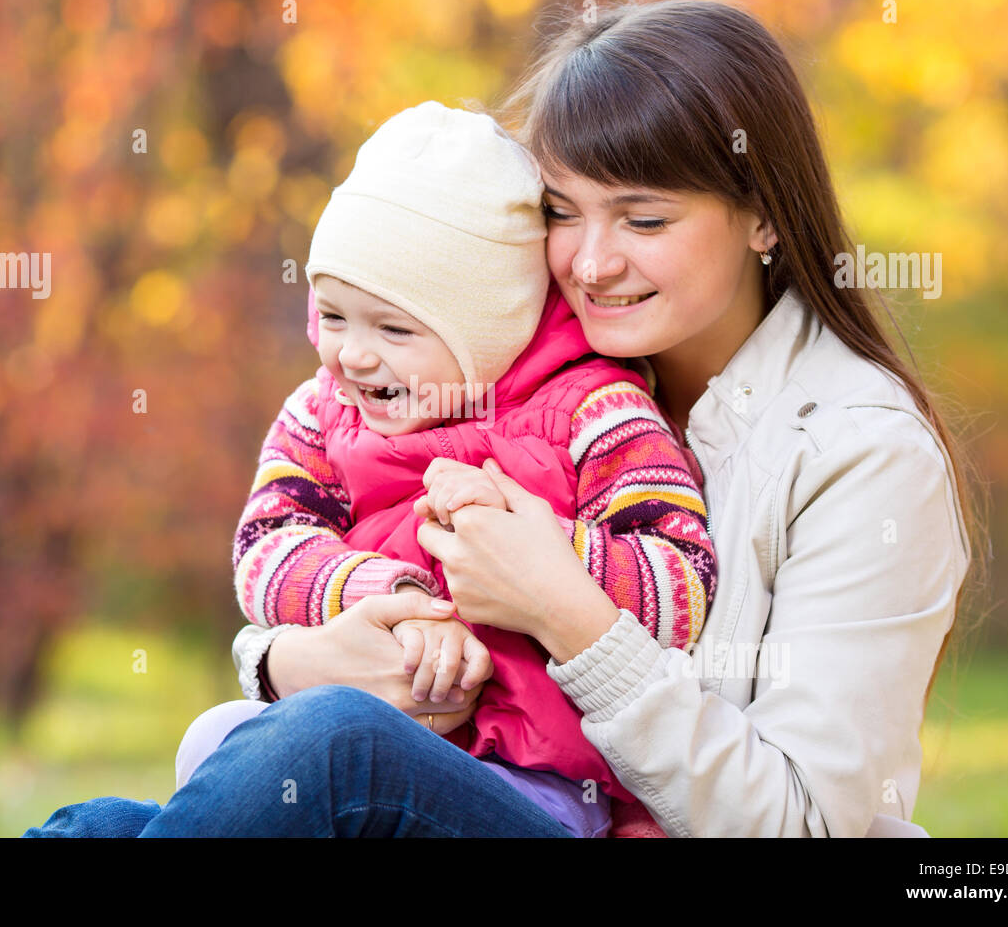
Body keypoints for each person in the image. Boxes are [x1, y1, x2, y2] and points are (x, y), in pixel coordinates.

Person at [25, 0, 972, 839]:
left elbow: (804, 824)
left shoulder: (861, 452)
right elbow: (315, 538)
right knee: (101, 823)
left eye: (644, 221)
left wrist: (565, 606)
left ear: (764, 217)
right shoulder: (504, 363)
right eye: (564, 212)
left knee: (335, 749)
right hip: (468, 777)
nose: (591, 262)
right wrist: (296, 659)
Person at [169, 99, 715, 838]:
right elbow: (266, 551)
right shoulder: (322, 412)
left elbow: (681, 580)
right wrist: (394, 596)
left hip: (532, 781)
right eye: (333, 316)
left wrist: (541, 550)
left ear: (491, 330)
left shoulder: (595, 412)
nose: (353, 355)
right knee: (192, 753)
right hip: (363, 721)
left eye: (394, 328)